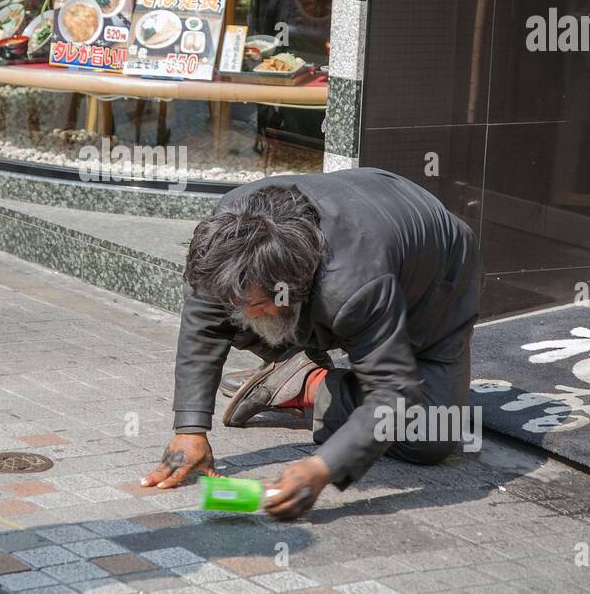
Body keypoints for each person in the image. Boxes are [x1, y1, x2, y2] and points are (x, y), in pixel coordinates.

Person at [141, 170, 483, 521]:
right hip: (358, 240)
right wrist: (189, 430)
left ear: (291, 286)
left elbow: (393, 393)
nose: (243, 315)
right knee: (234, 313)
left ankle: (309, 384)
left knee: (432, 437)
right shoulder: (228, 234)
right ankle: (293, 364)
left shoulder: (352, 284)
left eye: (256, 305)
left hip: (432, 283)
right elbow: (204, 322)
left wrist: (322, 469)